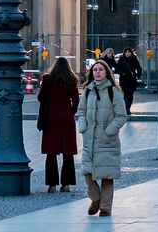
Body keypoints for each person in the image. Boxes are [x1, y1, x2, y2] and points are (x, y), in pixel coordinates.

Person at [76, 59, 127, 217]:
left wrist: (109, 130)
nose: (97, 72)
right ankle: (95, 198)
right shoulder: (88, 91)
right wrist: (83, 127)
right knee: (87, 172)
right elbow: (81, 111)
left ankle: (106, 207)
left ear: (106, 72)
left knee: (107, 174)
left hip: (107, 140)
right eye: (95, 70)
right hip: (89, 139)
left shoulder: (114, 92)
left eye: (101, 69)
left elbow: (121, 116)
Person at [38, 55, 80, 192]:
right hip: (67, 117)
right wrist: (71, 111)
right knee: (68, 152)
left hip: (51, 117)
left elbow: (40, 97)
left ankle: (52, 185)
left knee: (51, 152)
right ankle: (66, 184)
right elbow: (76, 101)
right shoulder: (71, 80)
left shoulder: (47, 79)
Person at [115, 47, 142, 114]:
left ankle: (128, 107)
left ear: (131, 53)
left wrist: (137, 76)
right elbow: (117, 69)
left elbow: (139, 69)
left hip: (132, 80)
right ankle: (126, 108)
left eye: (128, 52)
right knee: (126, 94)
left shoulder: (134, 60)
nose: (127, 53)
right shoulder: (122, 60)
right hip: (124, 79)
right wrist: (123, 73)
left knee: (131, 95)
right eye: (126, 52)